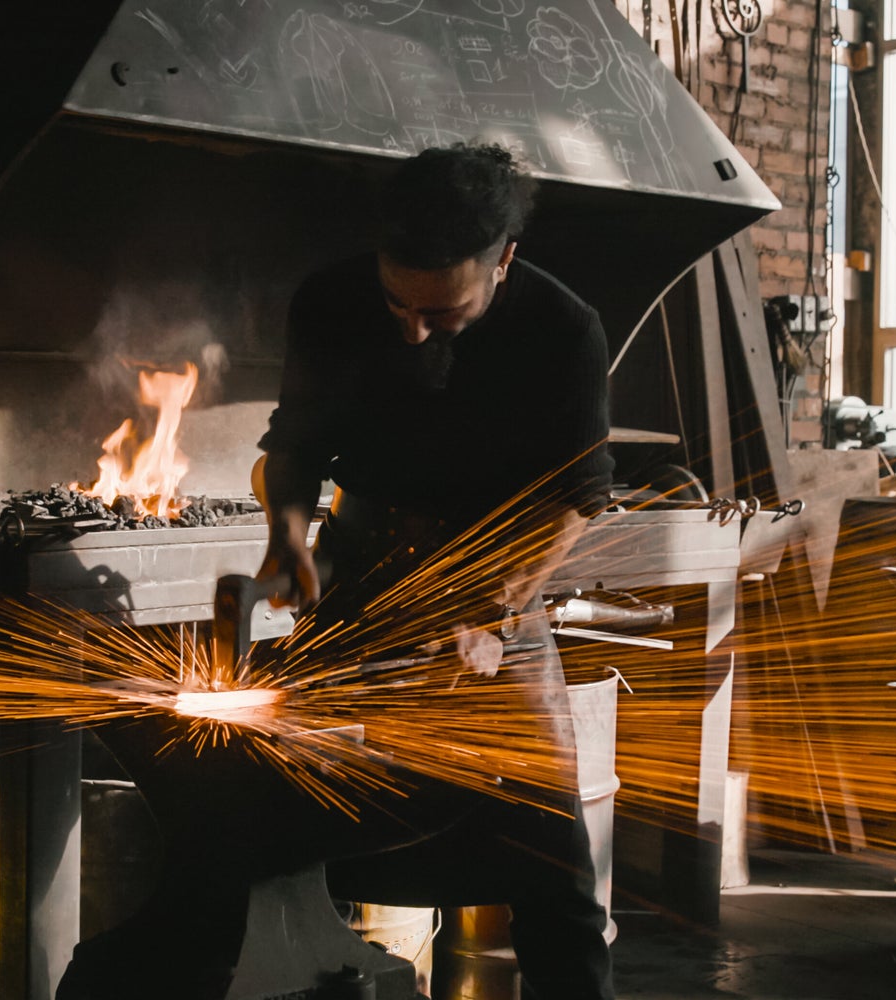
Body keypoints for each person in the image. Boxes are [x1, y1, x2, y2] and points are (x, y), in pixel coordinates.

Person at [254, 141, 616, 1000]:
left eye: (445, 314)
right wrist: (289, 539)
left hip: (495, 579)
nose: (414, 330)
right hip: (360, 577)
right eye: (397, 304)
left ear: (505, 262)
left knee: (548, 855)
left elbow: (576, 498)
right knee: (278, 818)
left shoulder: (565, 330)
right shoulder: (331, 302)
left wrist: (494, 612)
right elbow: (292, 450)